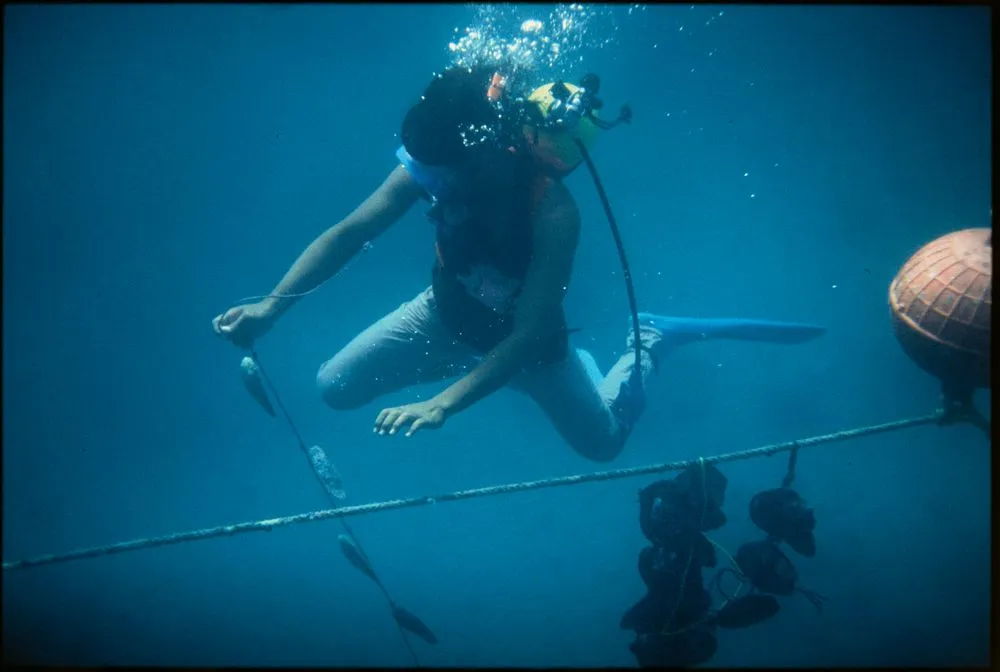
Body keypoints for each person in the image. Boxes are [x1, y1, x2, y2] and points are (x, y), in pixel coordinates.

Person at [213, 66, 825, 462]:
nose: (429, 178)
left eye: (440, 166)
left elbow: (530, 328)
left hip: (530, 350)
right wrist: (273, 306)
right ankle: (481, 371)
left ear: (484, 150)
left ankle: (648, 340)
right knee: (334, 389)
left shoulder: (553, 210)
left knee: (604, 445)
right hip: (444, 317)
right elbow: (352, 231)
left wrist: (445, 402)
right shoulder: (436, 161)